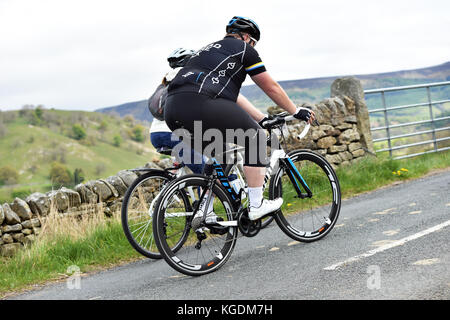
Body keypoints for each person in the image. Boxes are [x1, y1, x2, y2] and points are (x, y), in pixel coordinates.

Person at [164, 16, 316, 221]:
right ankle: (256, 205)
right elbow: (270, 86)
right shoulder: (244, 49)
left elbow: (233, 97)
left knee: (220, 156)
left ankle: (205, 212)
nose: (253, 46)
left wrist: (261, 118)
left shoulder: (206, 51)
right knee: (256, 138)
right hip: (201, 104)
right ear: (246, 36)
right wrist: (294, 110)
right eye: (253, 42)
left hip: (172, 111)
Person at [149, 48, 205, 174]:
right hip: (174, 134)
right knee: (207, 173)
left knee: (181, 162)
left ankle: (170, 186)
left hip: (156, 134)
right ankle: (207, 194)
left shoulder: (166, 82)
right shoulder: (191, 80)